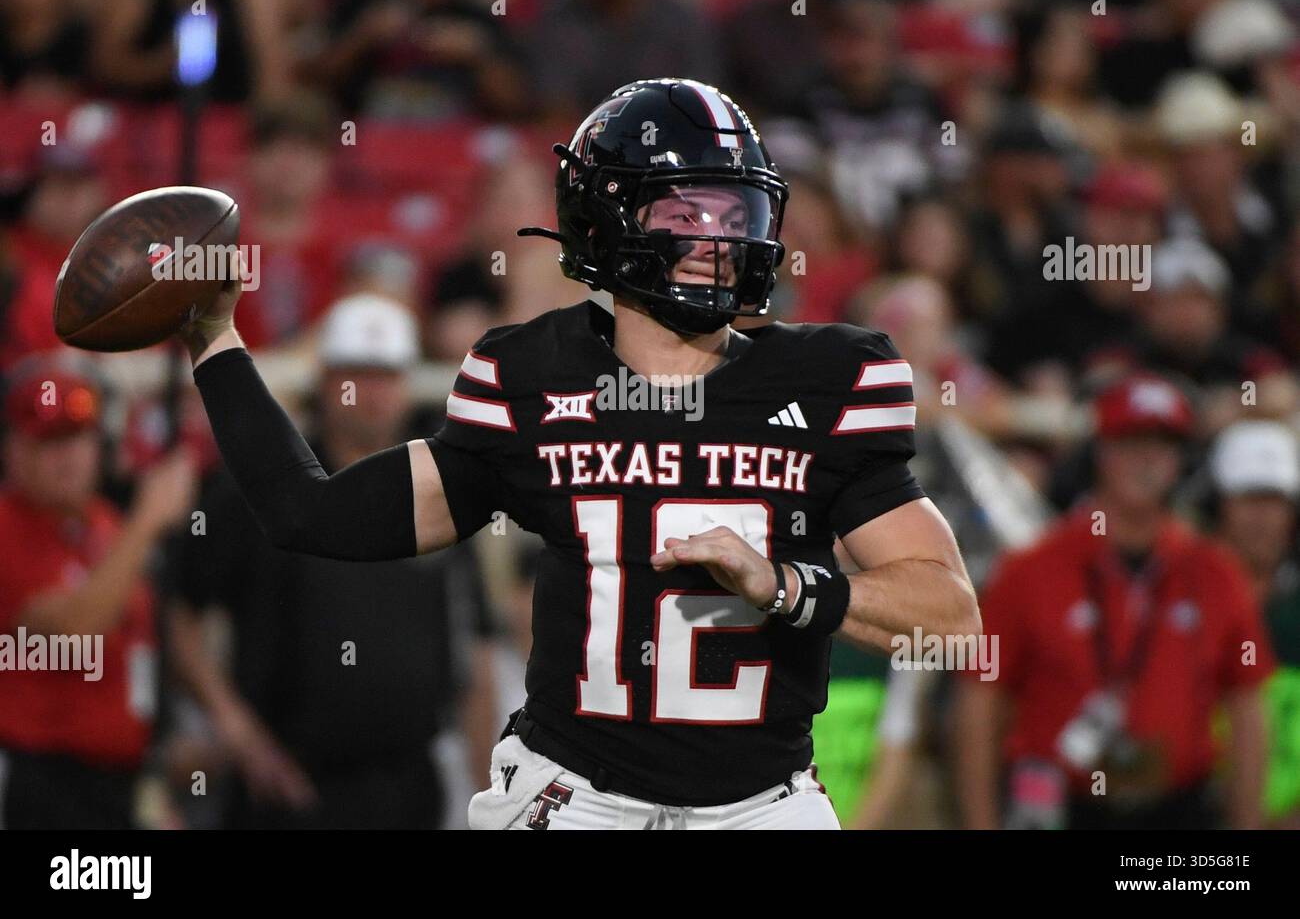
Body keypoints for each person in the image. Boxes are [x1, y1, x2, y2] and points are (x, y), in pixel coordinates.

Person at [177, 78, 978, 830]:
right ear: (606, 220)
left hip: (761, 805)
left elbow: (949, 618)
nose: (718, 240)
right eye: (686, 212)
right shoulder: (532, 376)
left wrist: (788, 586)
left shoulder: (826, 378)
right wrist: (214, 337)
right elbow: (308, 511)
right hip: (577, 797)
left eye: (735, 215)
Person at [169, 295, 497, 829]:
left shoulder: (439, 488)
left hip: (409, 786)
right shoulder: (259, 488)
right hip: (288, 788)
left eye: (387, 375)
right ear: (326, 380)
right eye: (358, 375)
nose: (373, 394)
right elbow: (178, 610)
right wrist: (238, 734)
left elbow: (473, 650)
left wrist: (488, 793)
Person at [954, 374, 1273, 829]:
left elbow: (1247, 708)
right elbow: (980, 702)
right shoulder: (1031, 568)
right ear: (1099, 453)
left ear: (1181, 461)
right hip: (1057, 809)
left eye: (1162, 446)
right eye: (1130, 443)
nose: (1147, 460)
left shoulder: (1215, 572)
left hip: (1177, 811)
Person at [0, 359, 194, 828]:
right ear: (13, 450)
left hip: (121, 777)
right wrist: (147, 521)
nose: (67, 456)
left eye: (77, 437)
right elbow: (73, 628)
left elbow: (147, 629)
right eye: (48, 442)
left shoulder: (105, 525)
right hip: (42, 778)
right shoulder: (8, 528)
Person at [1208, 420, 1300, 825]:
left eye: (1274, 501)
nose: (1262, 518)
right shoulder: (1185, 603)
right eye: (1248, 499)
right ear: (1220, 506)